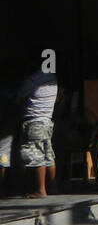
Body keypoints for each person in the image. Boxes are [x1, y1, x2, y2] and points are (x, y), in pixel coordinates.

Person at [15, 62, 59, 198]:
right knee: (48, 156)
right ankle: (52, 188)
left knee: (36, 156)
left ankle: (41, 190)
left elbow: (19, 97)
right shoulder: (52, 79)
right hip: (47, 121)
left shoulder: (33, 80)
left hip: (34, 122)